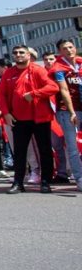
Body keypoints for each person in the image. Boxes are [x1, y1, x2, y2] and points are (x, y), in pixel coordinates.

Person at [1, 45, 59, 193]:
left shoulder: (38, 70)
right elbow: (1, 95)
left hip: (40, 118)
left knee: (44, 150)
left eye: (22, 52)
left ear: (28, 55)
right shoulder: (9, 73)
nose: (18, 55)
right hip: (19, 119)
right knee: (19, 152)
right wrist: (6, 113)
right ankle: (18, 183)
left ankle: (45, 182)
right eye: (15, 53)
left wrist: (34, 93)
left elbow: (53, 87)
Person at [49, 39, 82, 192]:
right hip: (68, 111)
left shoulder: (81, 63)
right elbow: (64, 90)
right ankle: (80, 179)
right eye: (64, 48)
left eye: (71, 47)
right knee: (73, 146)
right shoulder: (58, 68)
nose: (69, 50)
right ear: (60, 52)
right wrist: (72, 112)